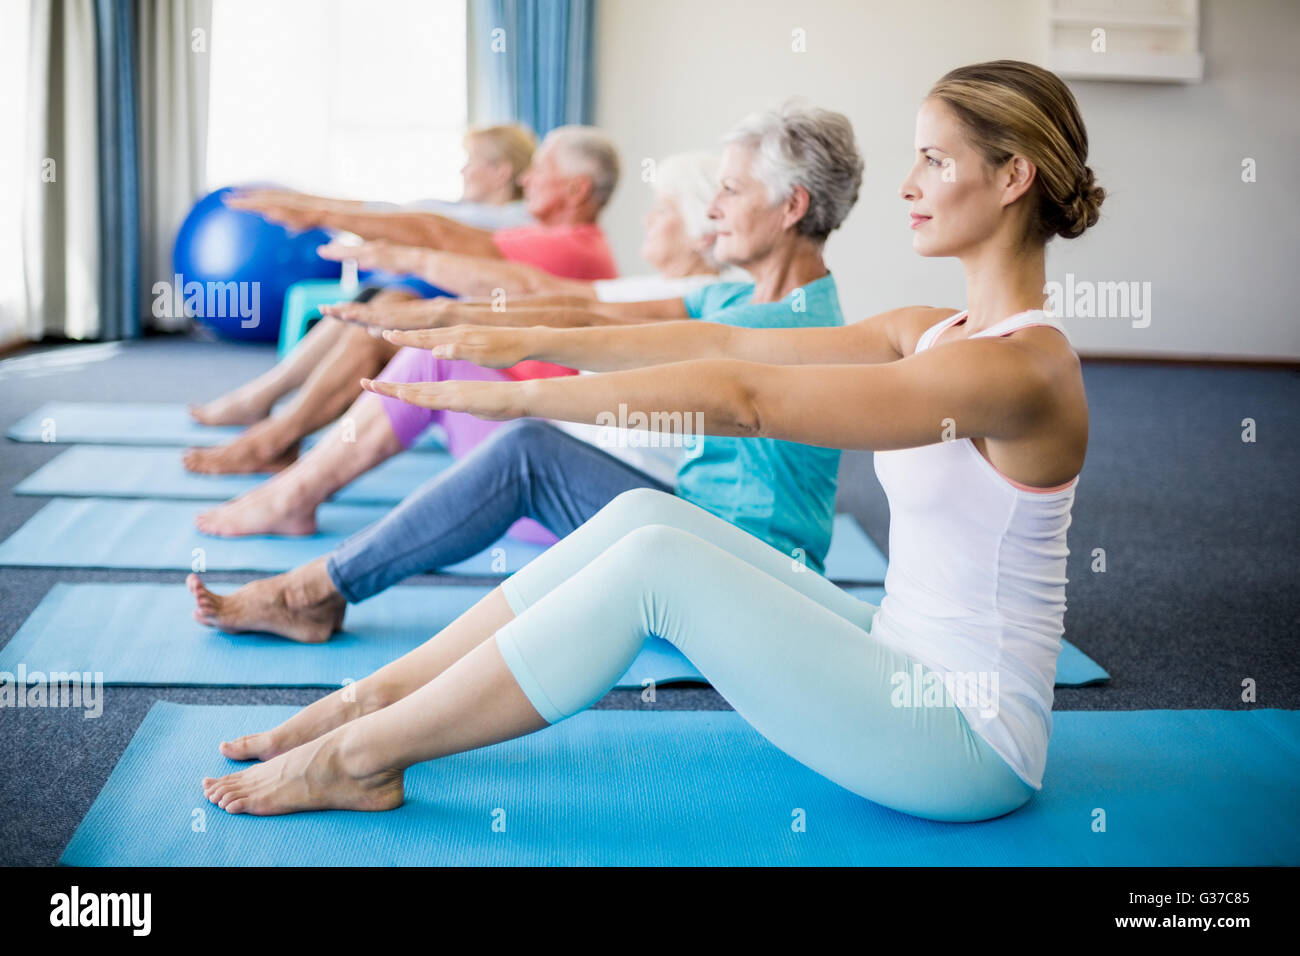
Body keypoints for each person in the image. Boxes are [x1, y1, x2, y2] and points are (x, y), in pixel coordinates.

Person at [202, 61, 1100, 825]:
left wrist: (533, 404)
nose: (908, 185)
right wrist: (532, 344)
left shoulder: (1022, 372)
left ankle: (363, 756)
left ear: (1013, 176)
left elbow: (747, 400)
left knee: (657, 564)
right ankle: (370, 699)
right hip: (897, 652)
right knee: (640, 514)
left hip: (968, 739)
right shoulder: (929, 329)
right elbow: (729, 342)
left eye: (935, 160)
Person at [187, 101, 864, 644]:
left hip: (751, 578)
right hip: (700, 528)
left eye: (731, 191)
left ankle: (310, 593)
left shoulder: (785, 326)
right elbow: (595, 310)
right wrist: (457, 316)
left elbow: (622, 346)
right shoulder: (738, 296)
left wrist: (504, 371)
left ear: (792, 206)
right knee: (529, 451)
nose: (712, 212)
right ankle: (313, 587)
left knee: (528, 452)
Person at [192, 152, 741, 537]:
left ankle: (290, 486)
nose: (646, 218)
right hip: (574, 462)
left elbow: (516, 279)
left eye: (663, 209)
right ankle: (280, 453)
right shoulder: (675, 291)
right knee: (405, 325)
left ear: (702, 229)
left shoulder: (672, 292)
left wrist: (378, 244)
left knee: (425, 354)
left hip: (569, 485)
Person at [182, 125, 621, 474]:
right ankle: (277, 434)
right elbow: (431, 227)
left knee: (383, 331)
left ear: (576, 190)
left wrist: (319, 211)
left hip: (529, 418)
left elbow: (436, 232)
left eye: (540, 169)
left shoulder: (569, 244)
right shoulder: (554, 236)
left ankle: (274, 441)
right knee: (391, 309)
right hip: (508, 382)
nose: (528, 178)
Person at [187, 124, 537, 429]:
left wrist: (313, 210)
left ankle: (269, 405)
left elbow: (419, 225)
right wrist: (306, 204)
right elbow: (390, 212)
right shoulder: (459, 208)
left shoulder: (513, 219)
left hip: (459, 311)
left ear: (500, 172)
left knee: (380, 304)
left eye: (471, 161)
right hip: (408, 297)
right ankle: (266, 399)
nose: (463, 170)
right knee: (371, 300)